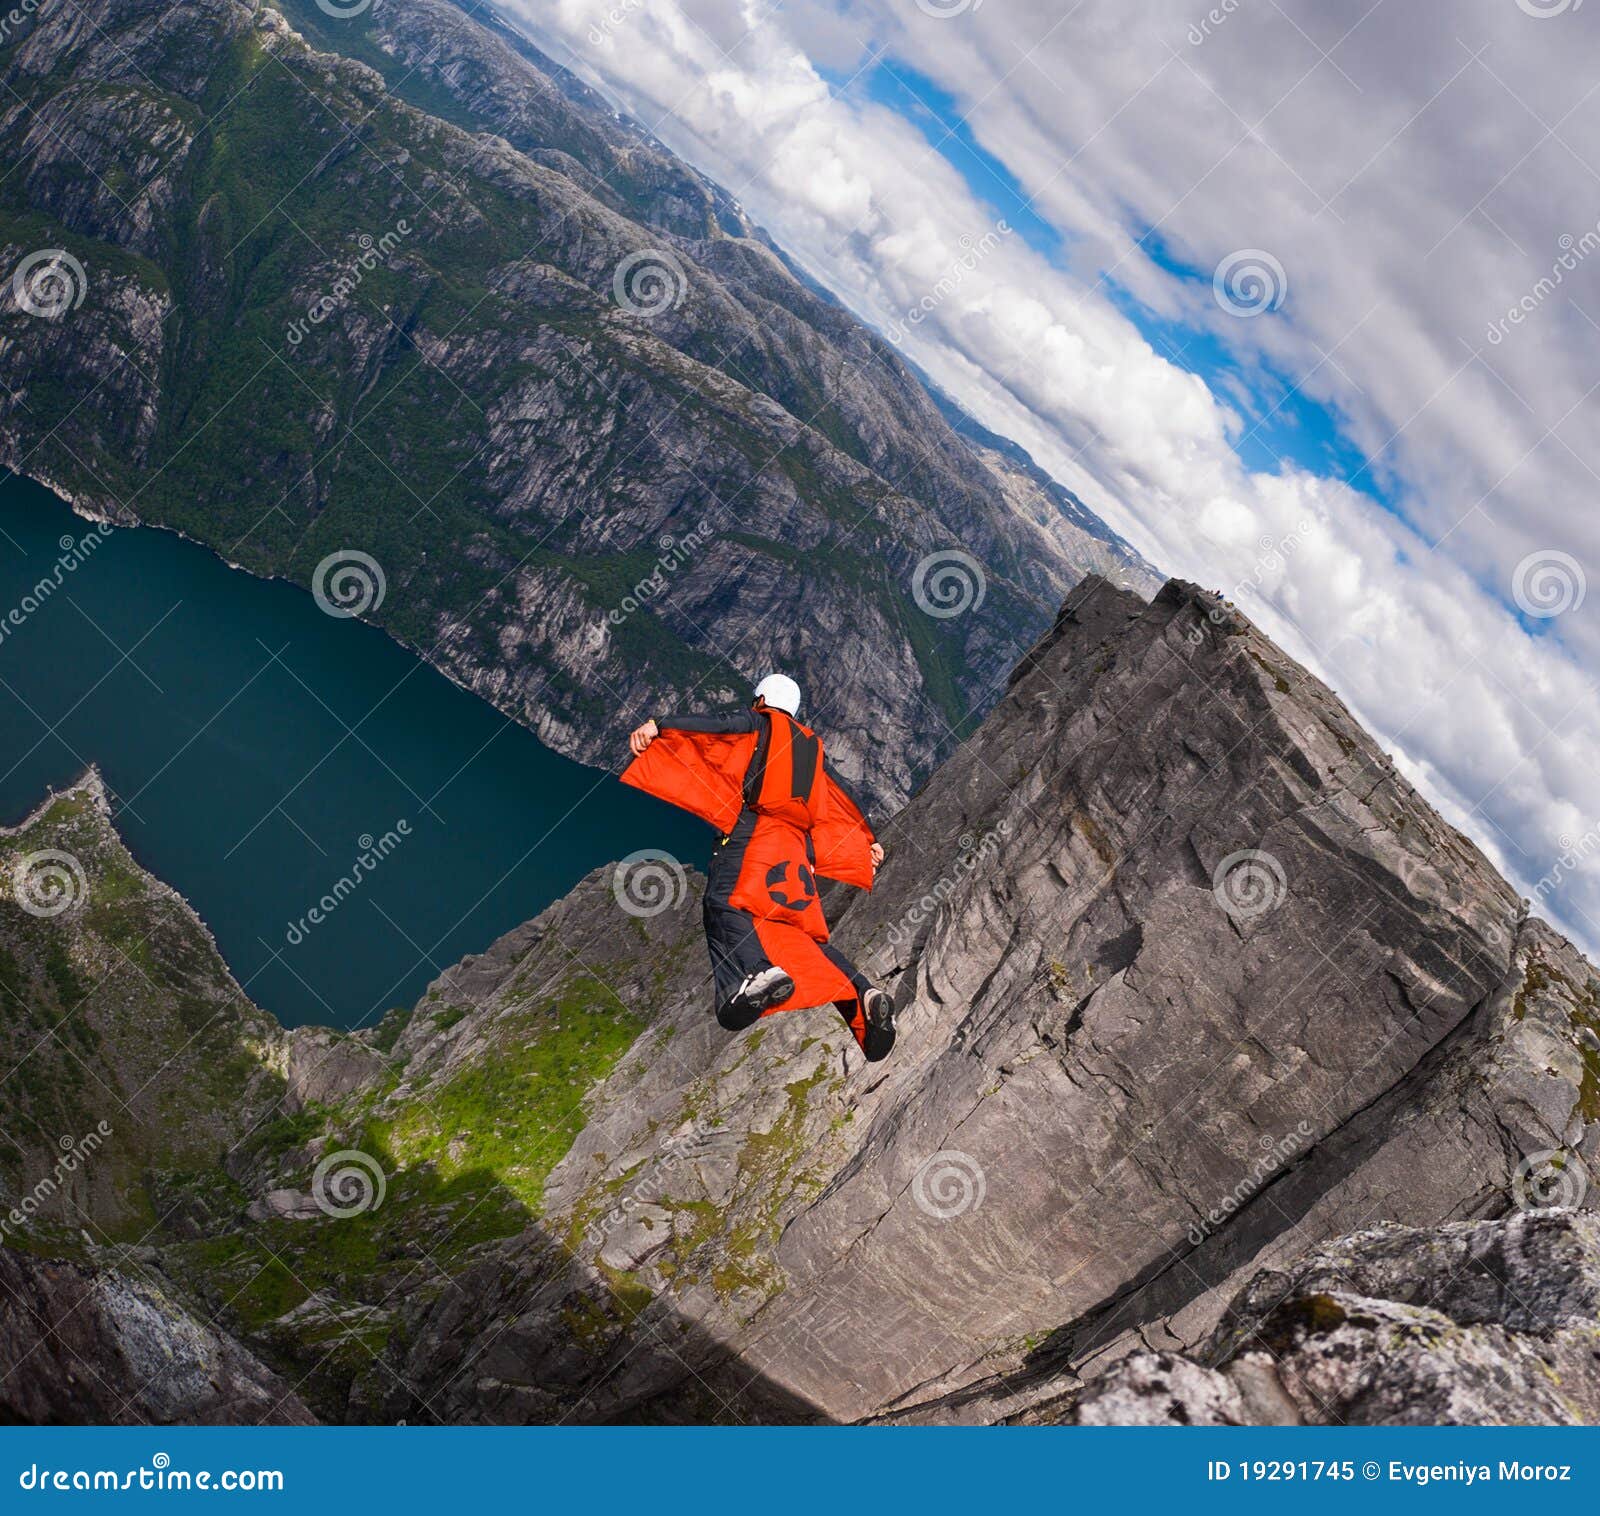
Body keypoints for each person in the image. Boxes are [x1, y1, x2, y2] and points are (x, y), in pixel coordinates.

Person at [621, 674, 896, 1061]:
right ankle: (863, 995)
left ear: (764, 699)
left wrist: (659, 725)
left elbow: (719, 726)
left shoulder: (763, 721)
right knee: (801, 939)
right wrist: (865, 841)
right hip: (796, 851)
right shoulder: (811, 750)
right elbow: (838, 800)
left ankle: (755, 974)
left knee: (723, 904)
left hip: (758, 834)